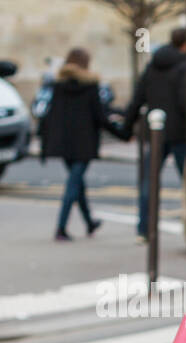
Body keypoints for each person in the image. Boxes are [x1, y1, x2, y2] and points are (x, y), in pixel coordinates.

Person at [38, 48, 125, 241]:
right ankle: (60, 227)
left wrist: (45, 143)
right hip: (83, 142)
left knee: (77, 182)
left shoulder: (58, 85)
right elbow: (100, 116)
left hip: (62, 141)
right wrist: (123, 134)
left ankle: (89, 222)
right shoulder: (90, 86)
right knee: (73, 184)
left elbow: (50, 116)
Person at [121, 27, 186, 240]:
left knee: (149, 182)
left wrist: (126, 128)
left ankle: (144, 230)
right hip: (179, 133)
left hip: (155, 132)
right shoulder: (183, 66)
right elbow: (184, 100)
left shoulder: (152, 66)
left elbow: (138, 98)